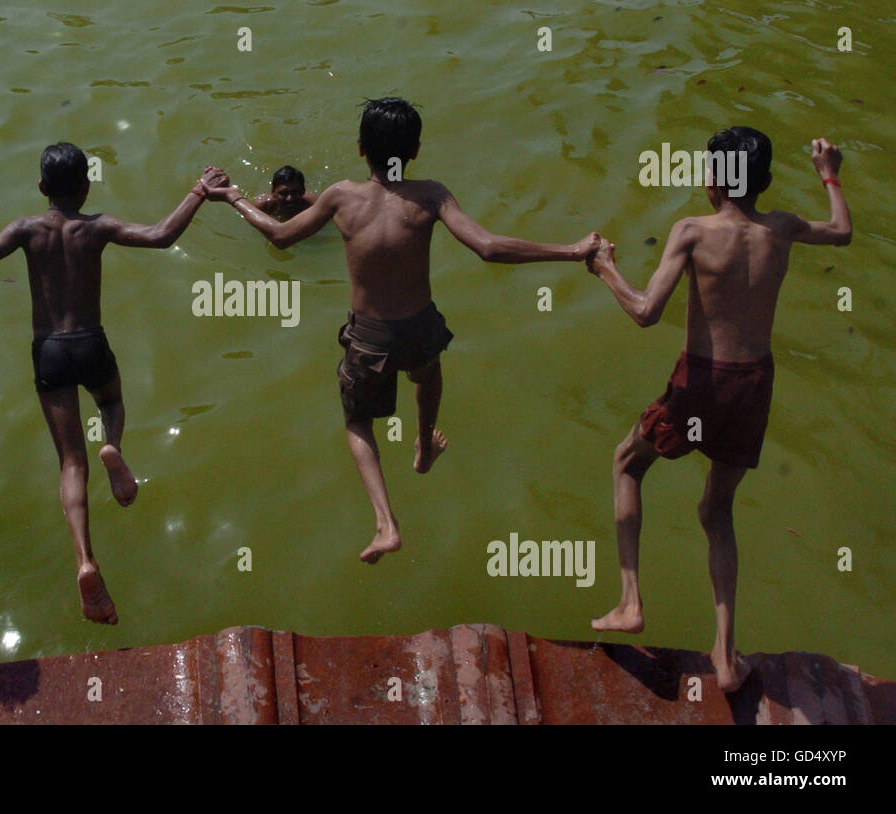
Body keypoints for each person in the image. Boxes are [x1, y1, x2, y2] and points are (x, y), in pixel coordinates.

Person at [203, 98, 599, 562]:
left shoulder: (340, 196)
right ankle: (425, 442)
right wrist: (572, 250)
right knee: (427, 371)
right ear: (414, 150)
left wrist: (233, 197)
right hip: (420, 328)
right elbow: (489, 248)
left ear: (359, 148)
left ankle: (386, 523)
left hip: (370, 336)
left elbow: (279, 234)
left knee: (357, 419)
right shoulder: (431, 195)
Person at [0, 144, 224, 624]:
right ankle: (115, 444)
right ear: (87, 186)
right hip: (91, 342)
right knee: (112, 402)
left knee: (70, 462)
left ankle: (84, 558)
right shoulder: (98, 226)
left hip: (50, 352)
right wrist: (198, 192)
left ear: (42, 188)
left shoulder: (25, 229)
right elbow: (161, 236)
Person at [588, 128, 851, 693]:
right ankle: (727, 659)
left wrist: (605, 266)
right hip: (755, 383)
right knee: (717, 512)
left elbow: (644, 311)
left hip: (701, 382)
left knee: (627, 464)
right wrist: (829, 174)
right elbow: (843, 232)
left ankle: (631, 602)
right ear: (765, 183)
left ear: (713, 181)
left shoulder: (691, 231)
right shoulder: (780, 228)